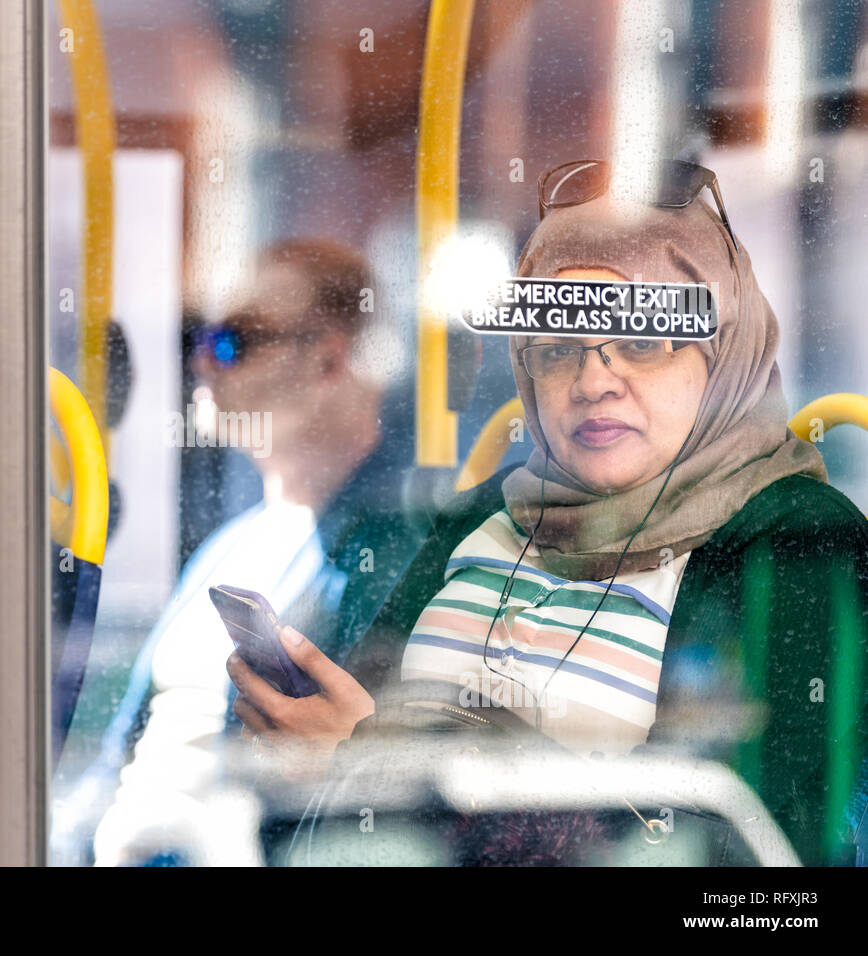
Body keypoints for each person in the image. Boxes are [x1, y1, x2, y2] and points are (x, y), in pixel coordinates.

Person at [228, 163, 868, 866]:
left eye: (642, 344)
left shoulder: (798, 542)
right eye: (560, 349)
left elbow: (761, 849)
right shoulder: (484, 512)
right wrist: (312, 754)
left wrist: (368, 770)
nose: (594, 381)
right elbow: (364, 704)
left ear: (722, 358)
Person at [71, 238, 425, 866]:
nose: (205, 365)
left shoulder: (397, 550)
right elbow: (117, 756)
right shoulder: (230, 548)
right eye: (198, 341)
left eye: (233, 341)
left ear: (328, 363)